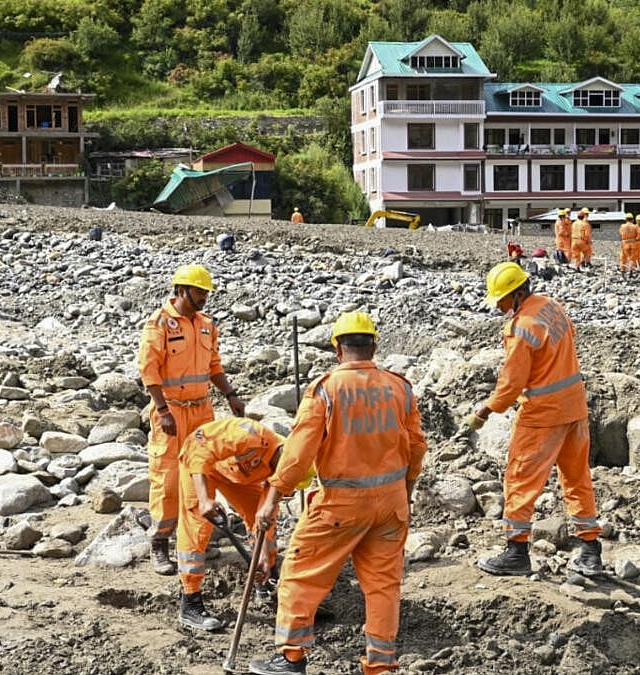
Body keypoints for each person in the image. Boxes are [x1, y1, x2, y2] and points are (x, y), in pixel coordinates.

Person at [248, 311, 427, 675]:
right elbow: (417, 447)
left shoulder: (326, 390)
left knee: (300, 573)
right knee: (383, 586)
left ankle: (291, 657)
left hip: (340, 506)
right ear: (374, 346)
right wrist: (404, 491)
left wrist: (273, 496)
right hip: (391, 504)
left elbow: (298, 456)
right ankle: (380, 664)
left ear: (337, 349)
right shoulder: (400, 387)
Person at [463, 262, 603, 578]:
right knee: (577, 478)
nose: (498, 306)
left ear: (516, 294)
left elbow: (511, 384)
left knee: (520, 478)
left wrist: (483, 412)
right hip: (574, 408)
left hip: (542, 414)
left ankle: (516, 552)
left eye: (500, 299)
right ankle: (591, 551)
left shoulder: (520, 328)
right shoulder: (552, 307)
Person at [138, 264, 246, 575]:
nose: (205, 298)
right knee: (168, 477)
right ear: (182, 290)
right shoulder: (159, 324)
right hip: (171, 411)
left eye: (206, 292)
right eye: (200, 292)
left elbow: (213, 365)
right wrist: (161, 410)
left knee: (202, 472)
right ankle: (159, 542)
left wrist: (230, 394)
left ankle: (198, 535)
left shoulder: (206, 325)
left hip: (201, 411)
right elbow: (149, 371)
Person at [176, 417, 284, 631]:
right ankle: (190, 602)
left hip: (235, 475)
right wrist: (204, 498)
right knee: (198, 526)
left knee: (266, 523)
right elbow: (199, 448)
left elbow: (262, 518)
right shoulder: (248, 436)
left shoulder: (283, 472)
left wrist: (262, 554)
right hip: (201, 464)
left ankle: (266, 582)